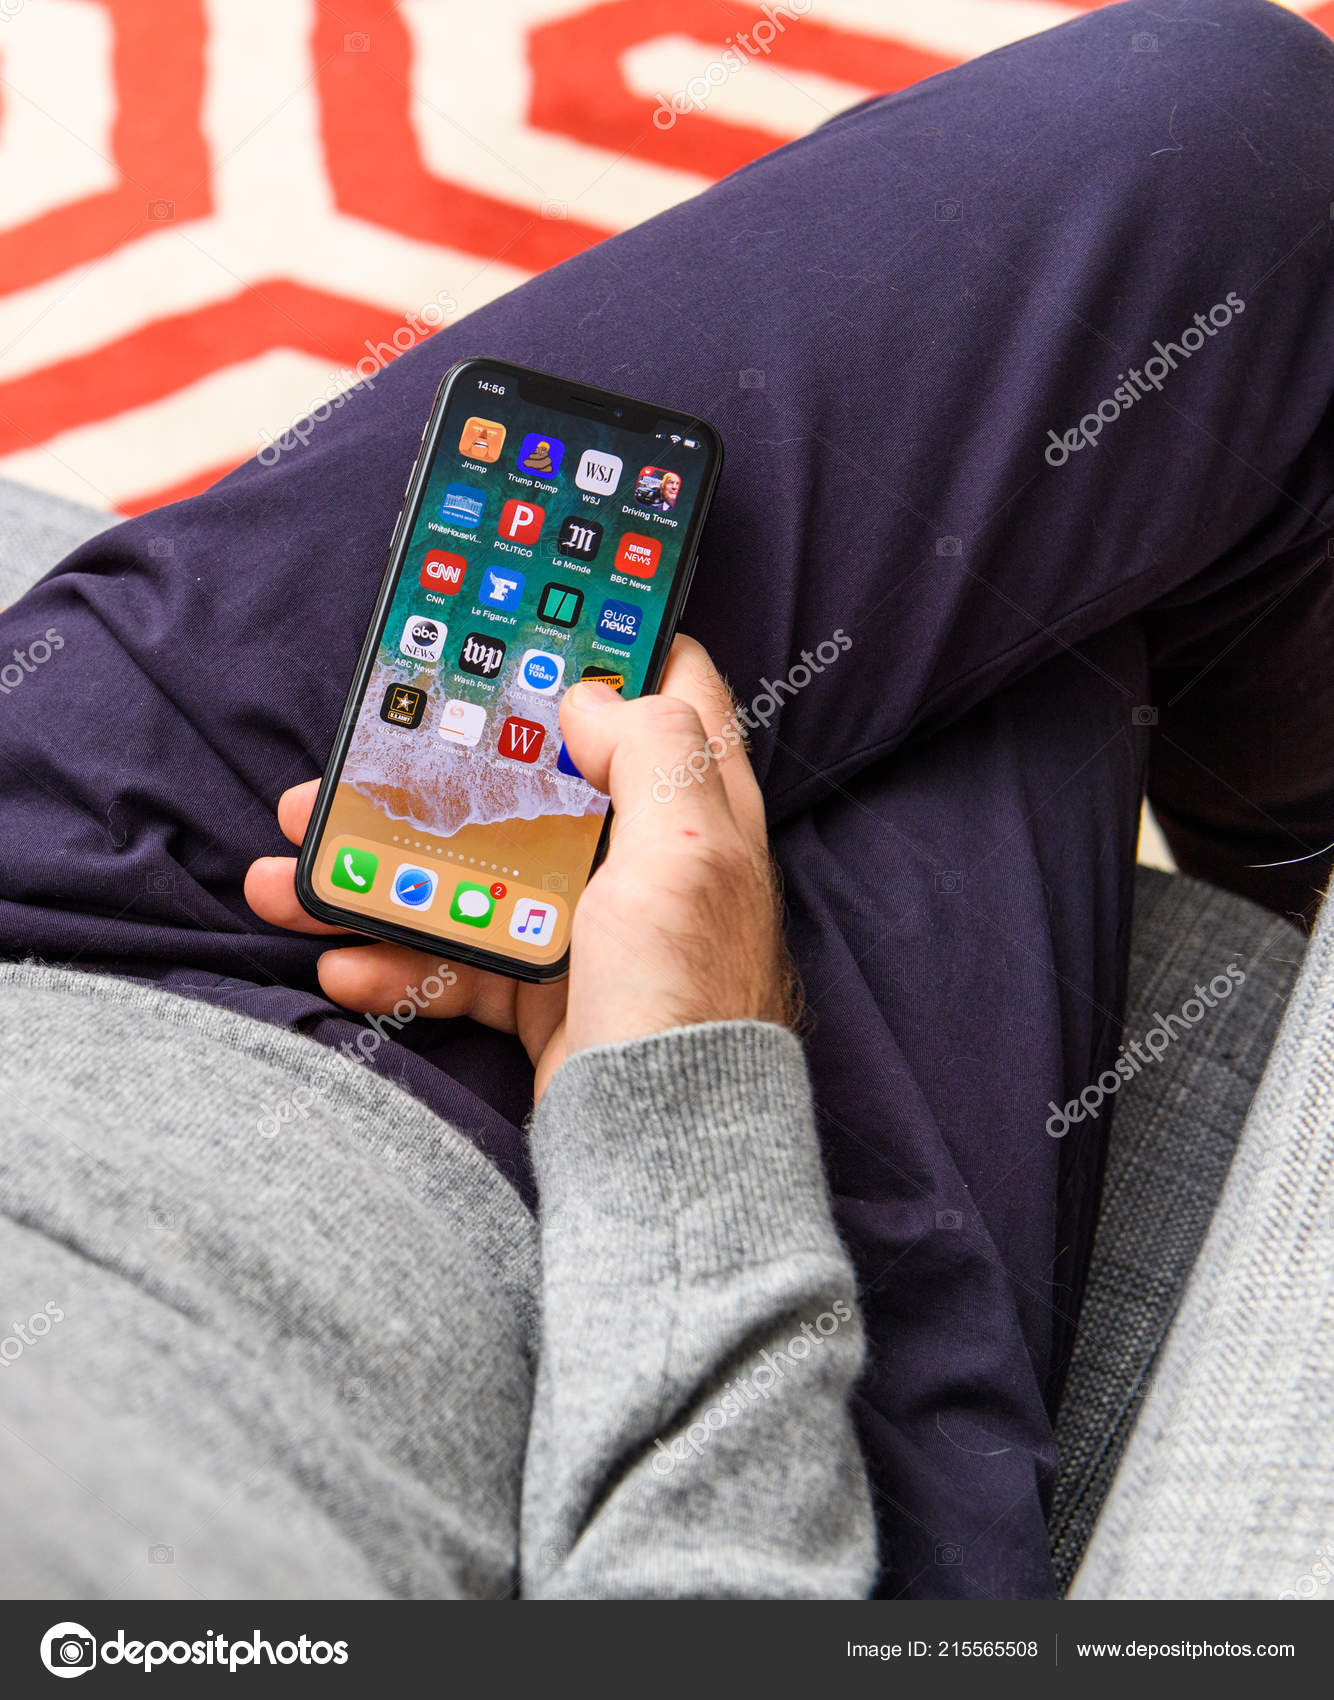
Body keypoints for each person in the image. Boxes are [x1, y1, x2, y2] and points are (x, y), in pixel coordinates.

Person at [1, 0, 1333, 1599]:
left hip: (63, 868)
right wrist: (681, 1092)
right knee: (1099, 521)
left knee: (1215, 137)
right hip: (586, 1284)